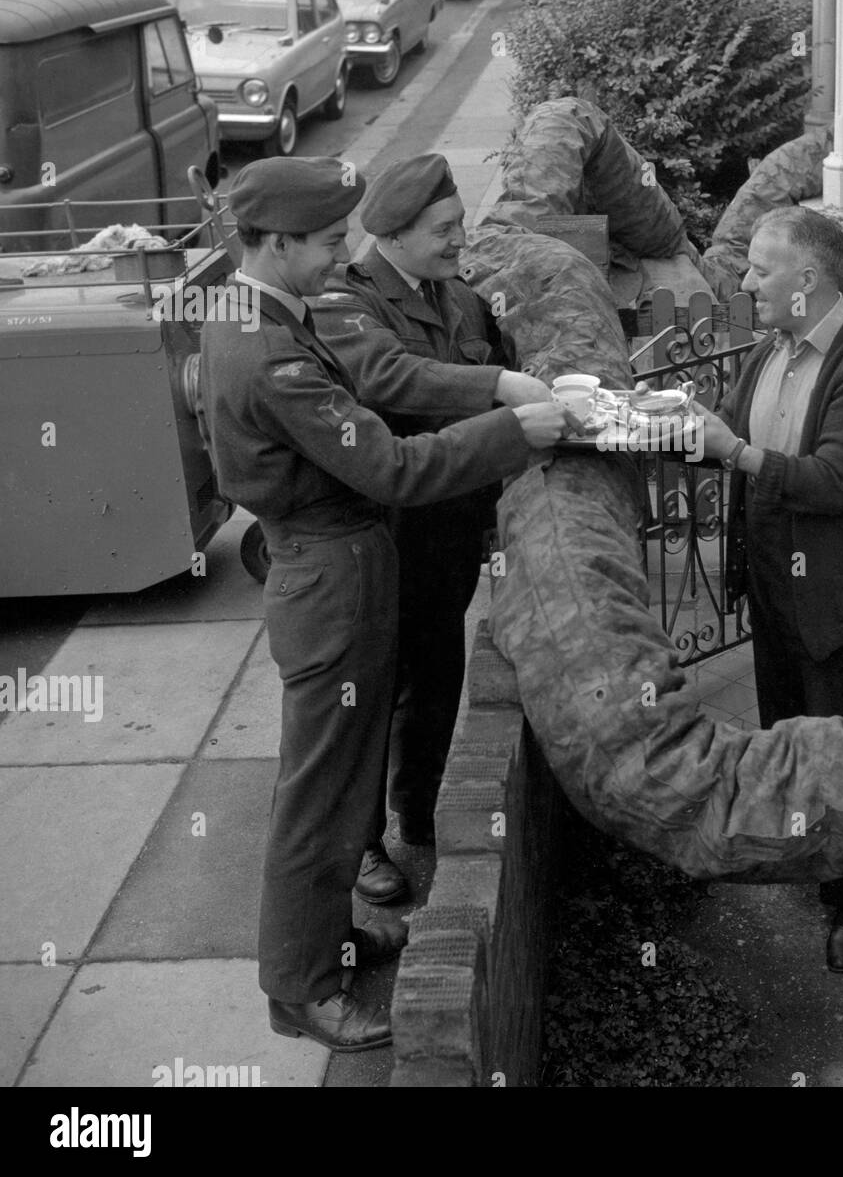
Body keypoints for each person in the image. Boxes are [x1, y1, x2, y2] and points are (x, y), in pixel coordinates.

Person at [198, 157, 565, 1051]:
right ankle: (302, 990)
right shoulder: (271, 355)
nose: (342, 257)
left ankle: (330, 940)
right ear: (275, 243)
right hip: (329, 575)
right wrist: (511, 430)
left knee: (344, 776)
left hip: (339, 566)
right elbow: (391, 467)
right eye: (328, 243)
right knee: (321, 795)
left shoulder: (259, 313)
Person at [311, 153, 555, 904]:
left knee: (436, 679)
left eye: (459, 225)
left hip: (446, 533)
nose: (460, 241)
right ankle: (357, 848)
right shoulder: (343, 302)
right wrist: (500, 385)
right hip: (383, 536)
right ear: (393, 236)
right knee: (367, 697)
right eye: (444, 230)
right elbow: (388, 376)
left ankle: (418, 813)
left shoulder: (456, 296)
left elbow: (507, 366)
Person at [696, 206, 843, 974]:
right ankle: (805, 853)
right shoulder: (771, 349)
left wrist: (737, 453)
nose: (746, 281)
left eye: (761, 269)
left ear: (808, 277)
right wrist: (668, 428)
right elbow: (727, 432)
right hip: (772, 592)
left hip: (838, 605)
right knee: (786, 736)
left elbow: (835, 481)